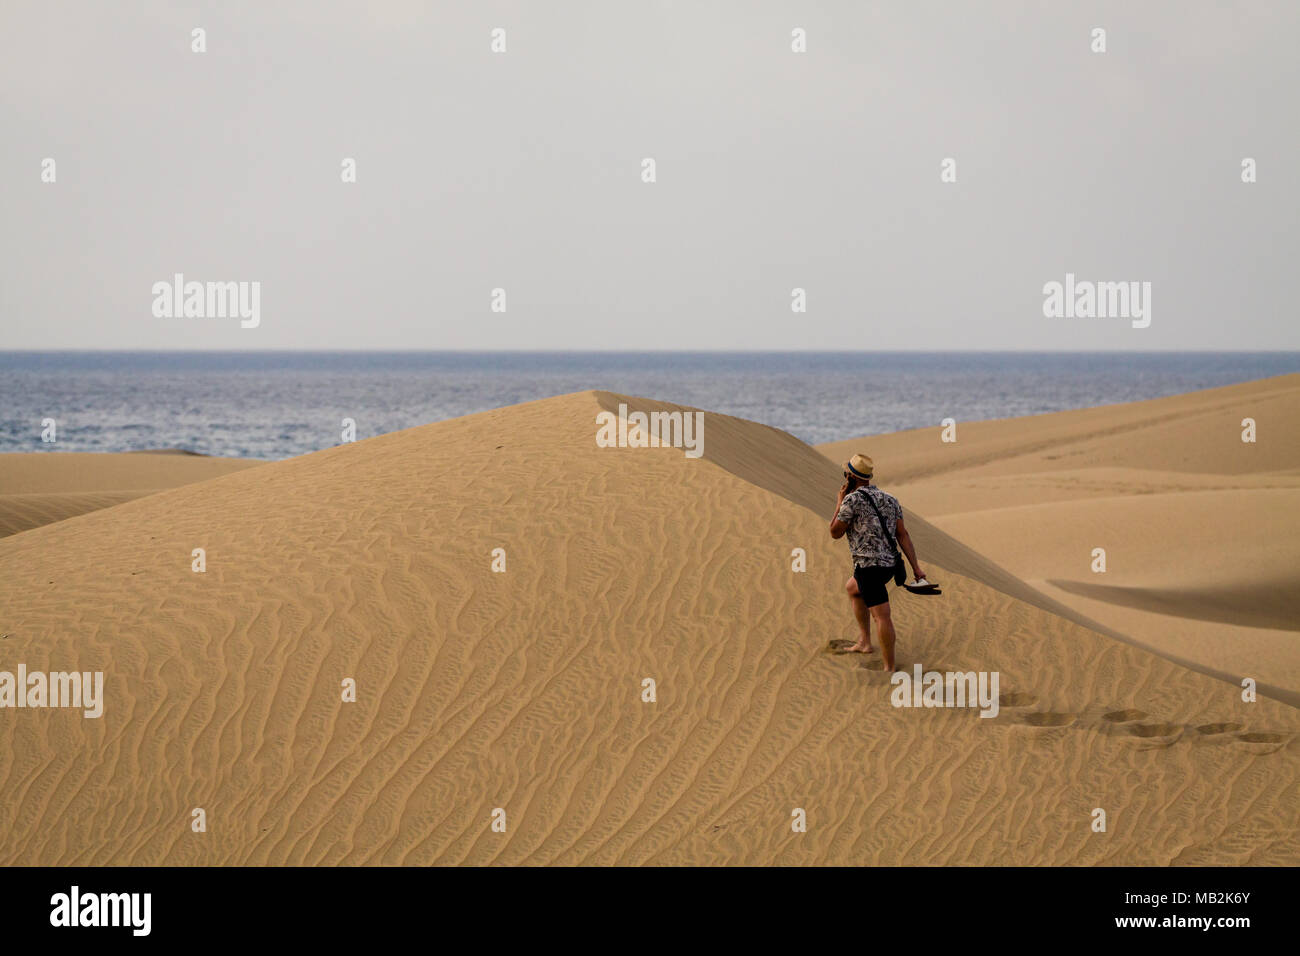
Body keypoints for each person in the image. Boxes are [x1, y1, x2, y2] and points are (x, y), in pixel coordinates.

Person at [828, 454, 926, 672]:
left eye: (846, 474)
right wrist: (916, 568)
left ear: (851, 477)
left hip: (869, 568)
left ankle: (889, 667)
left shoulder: (851, 501)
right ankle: (864, 642)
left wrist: (839, 502)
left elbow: (834, 532)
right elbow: (903, 534)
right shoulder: (890, 499)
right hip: (890, 565)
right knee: (852, 588)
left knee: (882, 616)